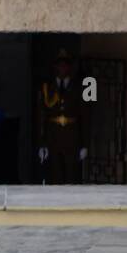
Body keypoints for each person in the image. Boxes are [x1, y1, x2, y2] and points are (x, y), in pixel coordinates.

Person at [36, 48, 87, 184]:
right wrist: (42, 143)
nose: (62, 67)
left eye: (65, 65)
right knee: (55, 174)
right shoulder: (47, 87)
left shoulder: (79, 87)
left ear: (70, 67)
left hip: (72, 136)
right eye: (60, 65)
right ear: (55, 67)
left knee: (72, 174)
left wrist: (84, 144)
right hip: (53, 135)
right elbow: (42, 116)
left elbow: (84, 116)